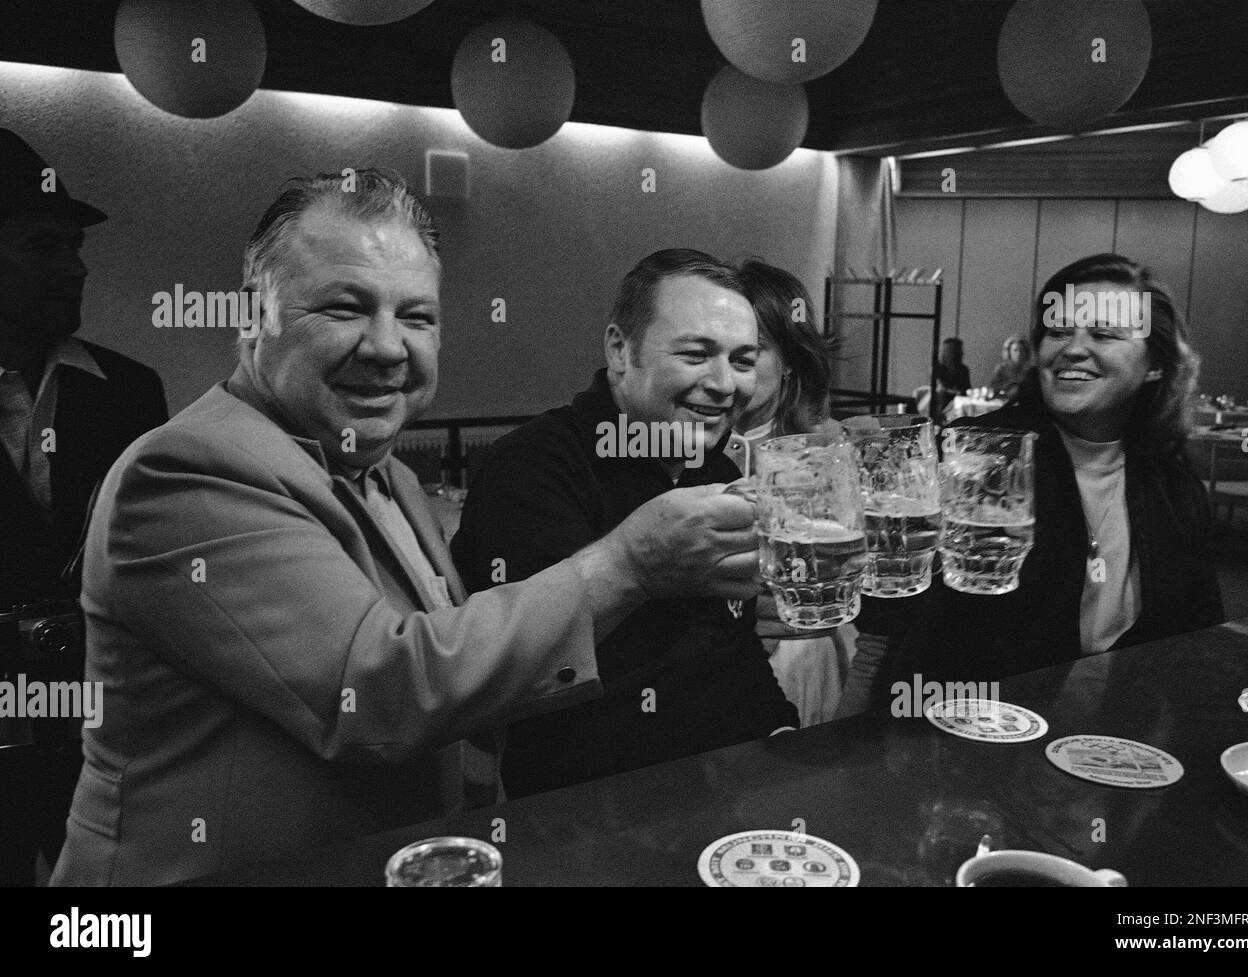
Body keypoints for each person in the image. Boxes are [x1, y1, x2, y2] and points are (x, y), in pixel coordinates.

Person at [51, 175, 764, 885]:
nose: (389, 347)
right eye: (346, 306)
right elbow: (382, 692)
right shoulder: (185, 468)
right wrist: (630, 564)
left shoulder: (381, 468)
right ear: (252, 314)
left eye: (416, 316)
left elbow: (466, 675)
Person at [451, 249, 798, 798]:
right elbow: (519, 679)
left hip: (734, 790)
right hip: (594, 818)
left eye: (742, 360)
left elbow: (730, 643)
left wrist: (779, 728)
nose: (723, 384)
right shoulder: (533, 468)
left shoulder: (717, 467)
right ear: (620, 350)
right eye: (695, 354)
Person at [887, 254, 1223, 686]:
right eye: (1058, 331)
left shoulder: (1172, 484)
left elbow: (1198, 633)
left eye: (1104, 333)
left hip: (1117, 730)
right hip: (978, 724)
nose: (1073, 348)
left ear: (1155, 364)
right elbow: (902, 610)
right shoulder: (975, 455)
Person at [0, 128, 167, 885]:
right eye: (43, 244)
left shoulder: (130, 391)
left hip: (105, 734)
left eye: (75, 245)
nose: (75, 266)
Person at [723, 259, 851, 727]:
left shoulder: (831, 450)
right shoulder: (676, 446)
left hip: (802, 658)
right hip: (701, 672)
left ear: (792, 362)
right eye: (715, 350)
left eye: (748, 352)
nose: (727, 372)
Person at [933, 337, 970, 415]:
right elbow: (940, 388)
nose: (962, 352)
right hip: (942, 405)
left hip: (961, 404)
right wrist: (956, 392)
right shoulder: (937, 368)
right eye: (959, 350)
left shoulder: (963, 369)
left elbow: (967, 389)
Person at [990, 335, 1031, 400]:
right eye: (1015, 350)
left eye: (1022, 350)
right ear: (1009, 352)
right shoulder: (1001, 369)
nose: (1019, 353)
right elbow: (994, 390)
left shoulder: (1030, 371)